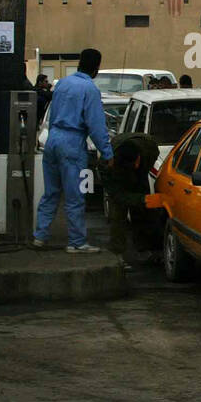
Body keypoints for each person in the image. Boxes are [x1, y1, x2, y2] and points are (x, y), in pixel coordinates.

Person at [33, 48, 114, 253]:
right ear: (96, 68)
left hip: (52, 139)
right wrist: (107, 153)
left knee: (51, 193)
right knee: (75, 195)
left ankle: (40, 236)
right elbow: (96, 125)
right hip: (72, 142)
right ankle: (76, 242)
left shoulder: (62, 85)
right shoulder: (90, 89)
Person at [104, 129, 164, 264]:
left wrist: (142, 199)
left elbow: (145, 165)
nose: (135, 165)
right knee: (117, 214)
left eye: (137, 161)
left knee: (144, 210)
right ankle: (117, 253)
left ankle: (146, 248)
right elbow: (117, 195)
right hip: (118, 177)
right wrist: (138, 199)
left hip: (141, 173)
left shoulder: (149, 149)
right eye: (132, 164)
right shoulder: (107, 163)